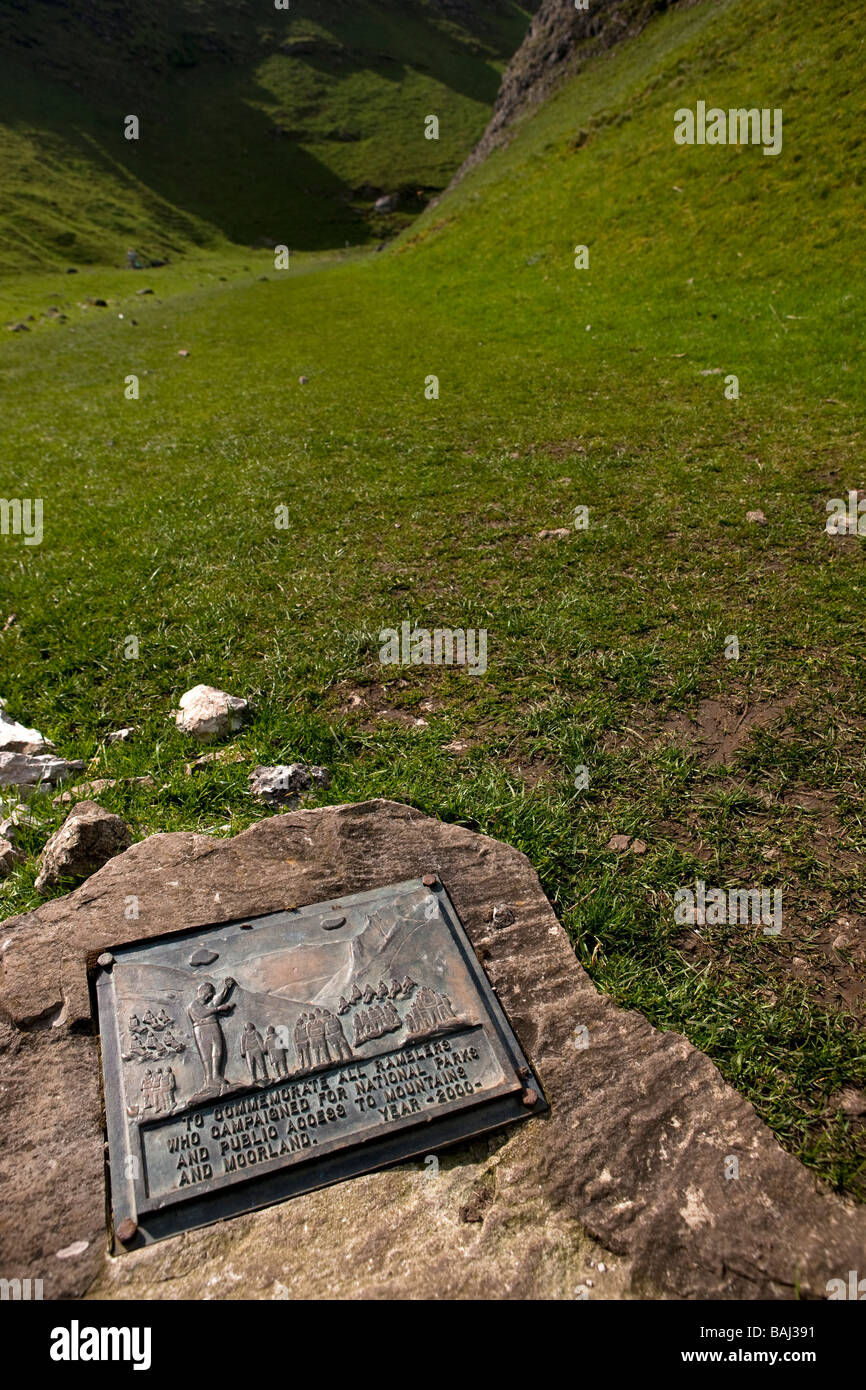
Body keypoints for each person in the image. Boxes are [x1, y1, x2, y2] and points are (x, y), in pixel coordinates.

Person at [187, 977, 236, 1097]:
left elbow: (217, 1000)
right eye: (209, 993)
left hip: (213, 1026)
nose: (210, 995)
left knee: (217, 1051)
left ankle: (216, 1075)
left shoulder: (210, 1003)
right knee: (207, 1055)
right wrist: (218, 1009)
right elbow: (202, 1013)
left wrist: (226, 988)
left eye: (211, 994)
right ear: (202, 992)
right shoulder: (193, 1005)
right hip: (202, 1030)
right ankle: (209, 1079)